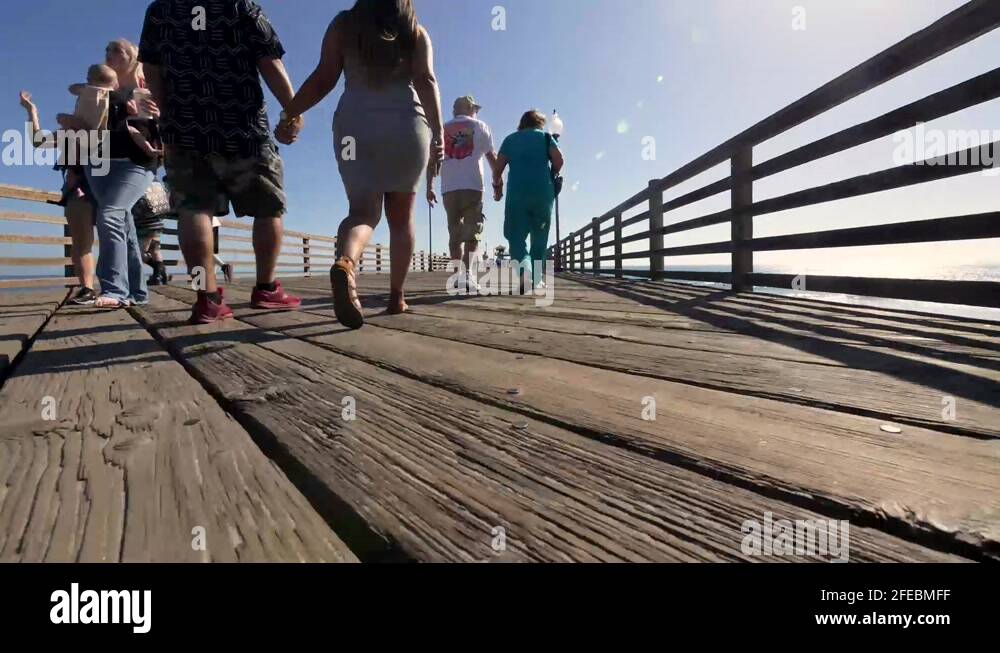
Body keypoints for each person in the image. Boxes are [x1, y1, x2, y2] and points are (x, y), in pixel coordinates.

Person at [278, 0, 444, 330]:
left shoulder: (344, 25)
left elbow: (323, 78)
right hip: (407, 129)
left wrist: (290, 113)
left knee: (363, 213)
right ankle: (396, 297)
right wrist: (438, 134)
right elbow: (425, 80)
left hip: (354, 127)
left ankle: (346, 261)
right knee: (401, 218)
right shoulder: (415, 32)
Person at [139, 0, 302, 324]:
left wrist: (167, 116)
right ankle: (266, 289)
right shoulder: (240, 6)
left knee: (193, 209)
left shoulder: (160, 10)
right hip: (243, 127)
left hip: (184, 128)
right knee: (267, 206)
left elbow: (151, 71)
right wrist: (293, 111)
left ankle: (207, 298)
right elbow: (270, 63)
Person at [426, 96, 496, 292]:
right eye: (475, 109)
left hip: (448, 188)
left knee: (454, 233)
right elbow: (492, 158)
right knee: (473, 233)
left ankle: (458, 275)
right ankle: (468, 276)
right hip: (473, 186)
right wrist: (497, 183)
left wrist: (429, 186)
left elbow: (432, 161)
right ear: (470, 108)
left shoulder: (441, 130)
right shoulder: (481, 126)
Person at [493, 110, 564, 291]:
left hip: (517, 194)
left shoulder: (510, 139)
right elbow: (559, 160)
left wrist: (497, 187)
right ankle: (537, 279)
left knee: (515, 235)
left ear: (522, 123)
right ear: (540, 123)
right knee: (540, 237)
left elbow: (497, 169)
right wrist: (553, 171)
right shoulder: (546, 138)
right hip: (543, 193)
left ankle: (524, 271)